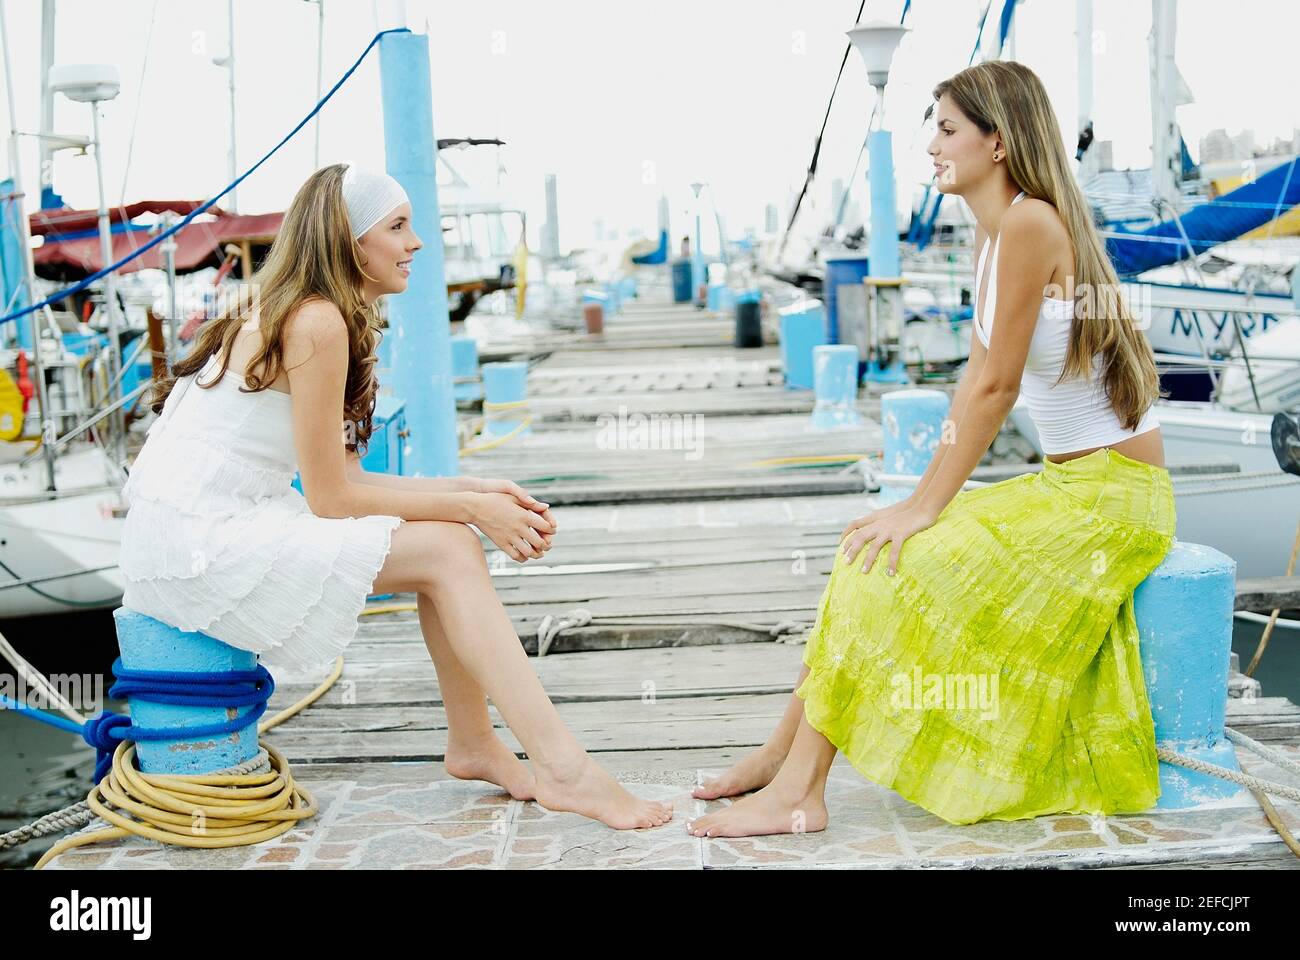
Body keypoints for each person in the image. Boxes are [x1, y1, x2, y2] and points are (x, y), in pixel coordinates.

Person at [687, 61, 1175, 837]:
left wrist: (923, 508)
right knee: (866, 551)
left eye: (947, 129)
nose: (931, 147)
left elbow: (998, 390)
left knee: (893, 562)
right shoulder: (992, 238)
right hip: (1070, 487)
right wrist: (915, 498)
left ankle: (798, 793)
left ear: (1000, 141)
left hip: (1113, 502)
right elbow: (973, 380)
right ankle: (781, 762)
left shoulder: (1029, 224)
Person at [119, 163, 672, 831]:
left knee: (448, 544)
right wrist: (469, 508)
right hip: (196, 542)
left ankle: (475, 745)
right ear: (348, 241)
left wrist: (473, 489)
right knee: (447, 547)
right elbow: (332, 498)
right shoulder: (316, 321)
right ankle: (564, 769)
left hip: (205, 525)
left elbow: (349, 476)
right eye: (398, 227)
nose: (416, 243)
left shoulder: (315, 314)